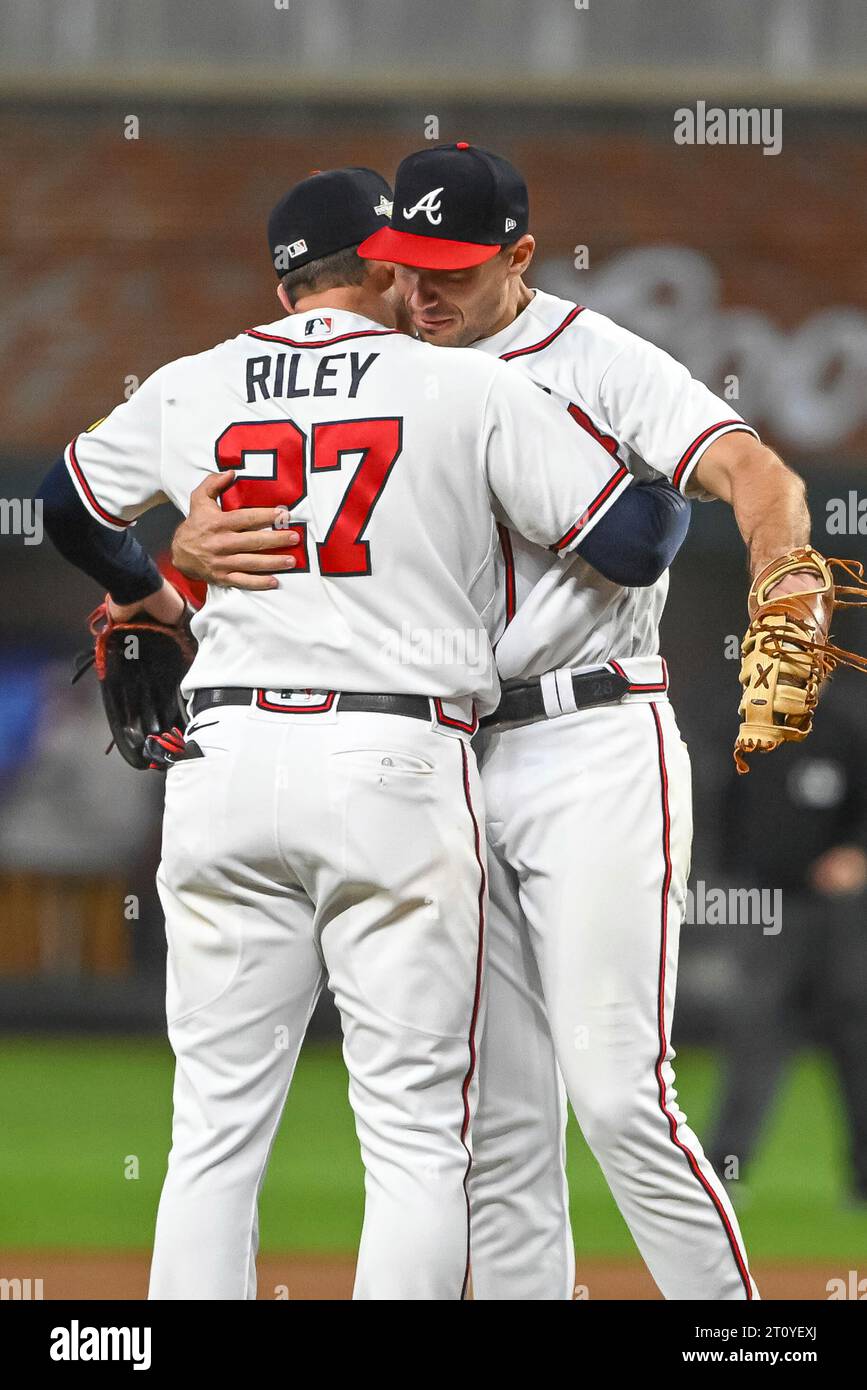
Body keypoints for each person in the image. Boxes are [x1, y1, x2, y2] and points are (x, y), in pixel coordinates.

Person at [178, 144, 816, 1301]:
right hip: (441, 759)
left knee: (622, 1093)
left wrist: (784, 577)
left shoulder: (596, 356)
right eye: (402, 267)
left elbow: (756, 474)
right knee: (505, 1130)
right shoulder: (381, 371)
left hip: (593, 742)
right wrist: (176, 555)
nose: (423, 294)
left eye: (453, 271)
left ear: (519, 258)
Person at [36, 166, 686, 1301]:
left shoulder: (193, 383)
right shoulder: (458, 387)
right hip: (393, 759)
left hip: (223, 762)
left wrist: (148, 592)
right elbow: (637, 543)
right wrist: (659, 479)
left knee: (213, 1132)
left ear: (285, 279)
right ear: (384, 268)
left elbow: (66, 506)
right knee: (419, 1134)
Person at [708, 693, 867, 1203]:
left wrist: (857, 853)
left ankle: (864, 1179)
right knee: (755, 1035)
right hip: (768, 909)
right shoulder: (753, 732)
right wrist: (735, 884)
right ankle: (724, 1171)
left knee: (856, 1038)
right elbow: (726, 812)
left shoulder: (845, 728)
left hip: (833, 912)